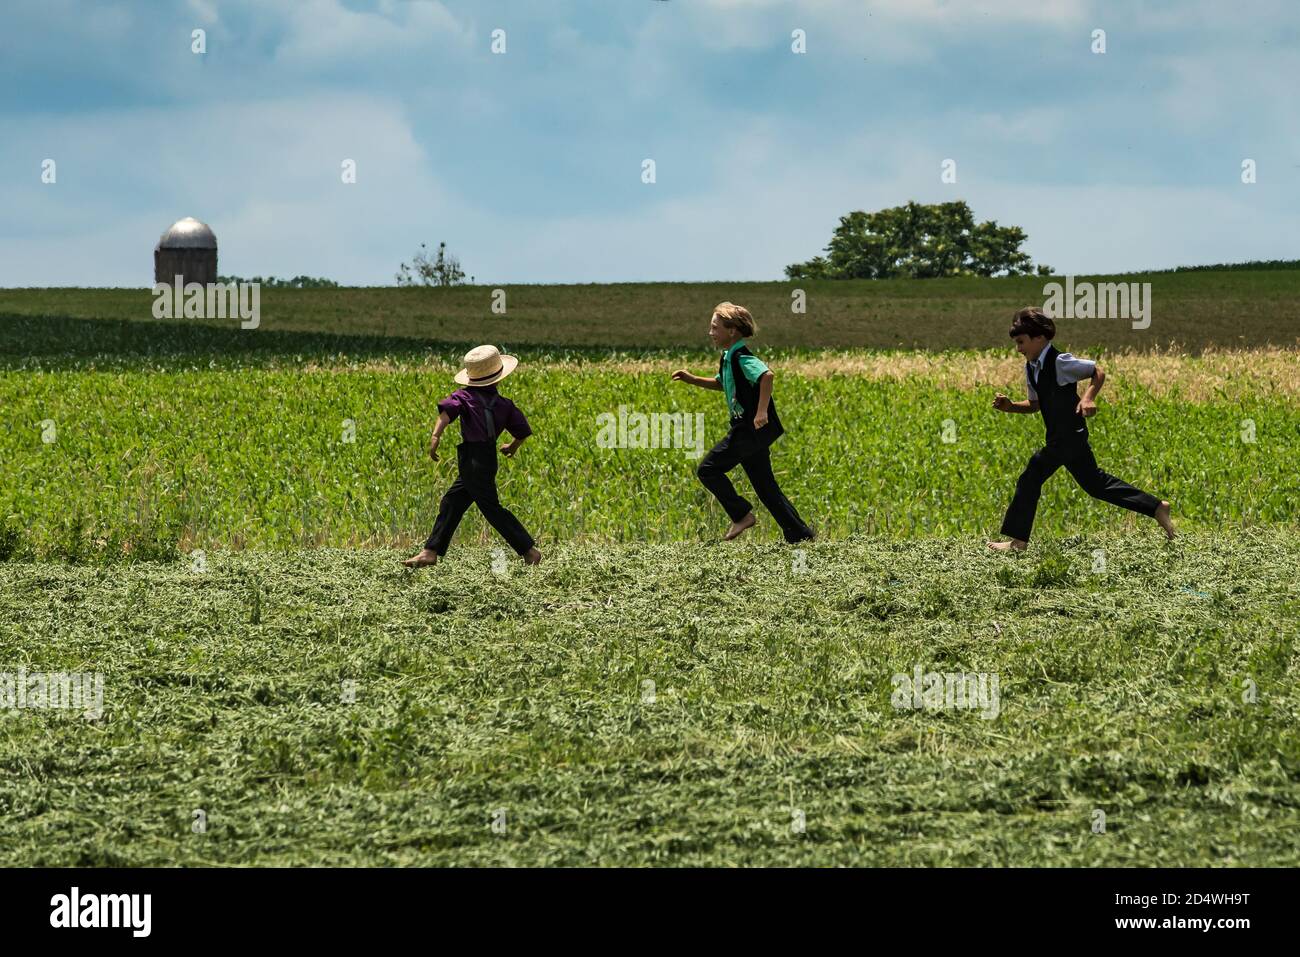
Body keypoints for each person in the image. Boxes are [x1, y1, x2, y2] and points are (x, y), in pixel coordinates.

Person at [987, 307, 1175, 551]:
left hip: (1069, 436)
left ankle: (1018, 542)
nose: (1018, 349)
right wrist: (1011, 407)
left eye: (1021, 342)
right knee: (1096, 485)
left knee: (1031, 475)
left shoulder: (1061, 362)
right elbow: (1035, 404)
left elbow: (1097, 372)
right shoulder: (1031, 368)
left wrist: (1088, 398)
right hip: (1059, 437)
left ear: (1040, 338)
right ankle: (1156, 506)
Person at [672, 302, 814, 543]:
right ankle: (800, 535)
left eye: (715, 328)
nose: (710, 332)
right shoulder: (728, 358)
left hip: (749, 428)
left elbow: (766, 375)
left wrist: (761, 412)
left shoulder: (741, 356)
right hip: (753, 432)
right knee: (765, 487)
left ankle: (741, 515)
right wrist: (692, 379)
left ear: (732, 331)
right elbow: (722, 383)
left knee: (708, 469)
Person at [403, 345, 542, 568]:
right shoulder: (504, 405)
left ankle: (529, 550)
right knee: (452, 502)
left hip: (473, 459)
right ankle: (430, 551)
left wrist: (435, 436)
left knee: (490, 508)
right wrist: (513, 447)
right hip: (486, 459)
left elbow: (446, 414)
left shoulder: (464, 397)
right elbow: (522, 431)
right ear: (498, 378)